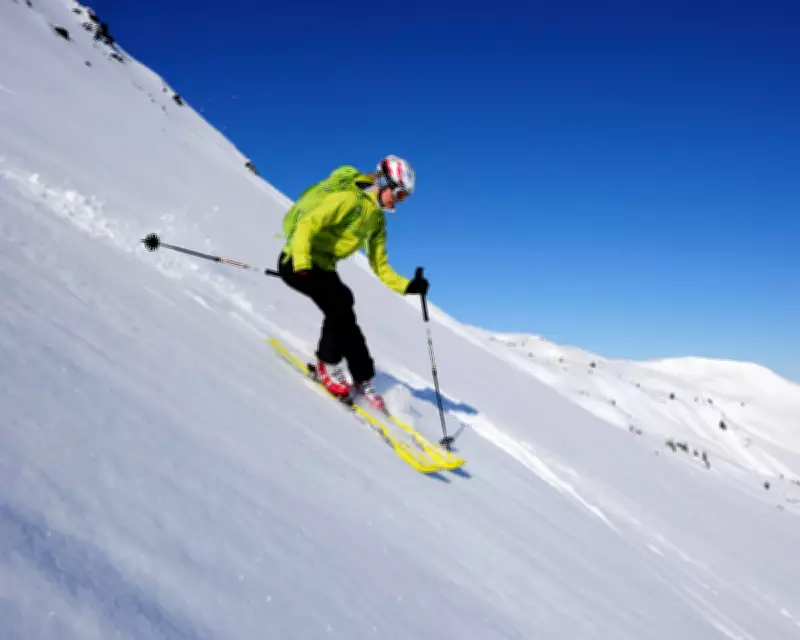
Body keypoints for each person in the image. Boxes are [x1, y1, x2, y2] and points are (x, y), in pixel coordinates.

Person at [277, 155, 429, 411]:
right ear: (383, 182)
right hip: (296, 261)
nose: (398, 201)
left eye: (404, 198)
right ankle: (328, 364)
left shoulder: (377, 220)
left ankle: (362, 376)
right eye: (399, 194)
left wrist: (408, 286)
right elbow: (308, 223)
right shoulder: (349, 199)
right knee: (339, 305)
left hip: (323, 267)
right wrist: (302, 262)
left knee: (345, 309)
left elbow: (379, 264)